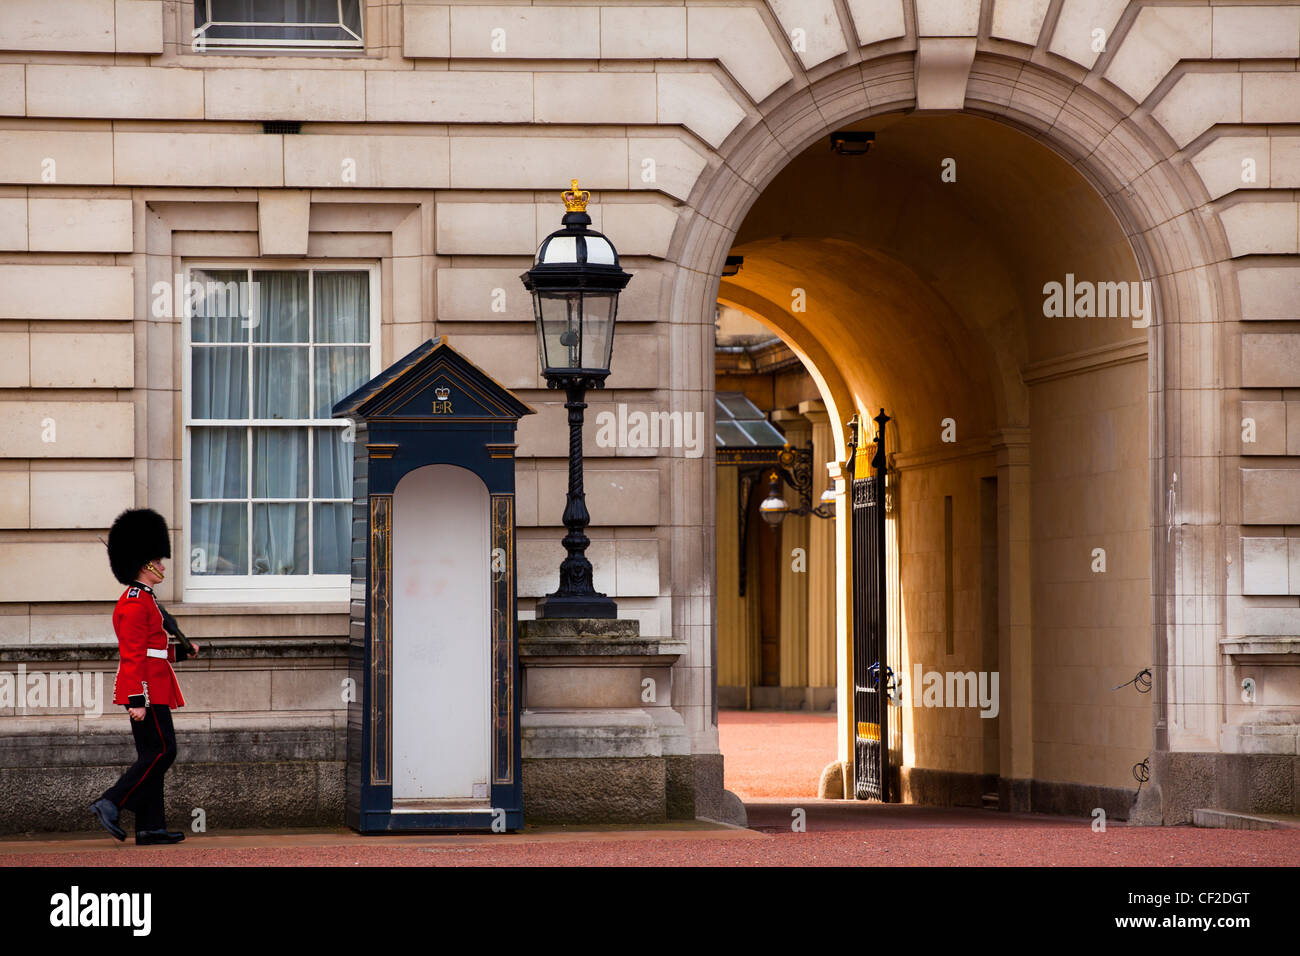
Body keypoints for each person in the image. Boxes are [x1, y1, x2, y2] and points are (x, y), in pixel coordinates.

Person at [89, 508, 200, 845]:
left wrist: (182, 651)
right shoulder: (136, 603)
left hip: (154, 684)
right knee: (163, 752)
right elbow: (132, 655)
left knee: (152, 755)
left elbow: (154, 650)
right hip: (146, 691)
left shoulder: (147, 600)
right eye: (157, 560)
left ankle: (151, 826)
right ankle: (112, 801)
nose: (163, 566)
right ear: (144, 564)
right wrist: (135, 700)